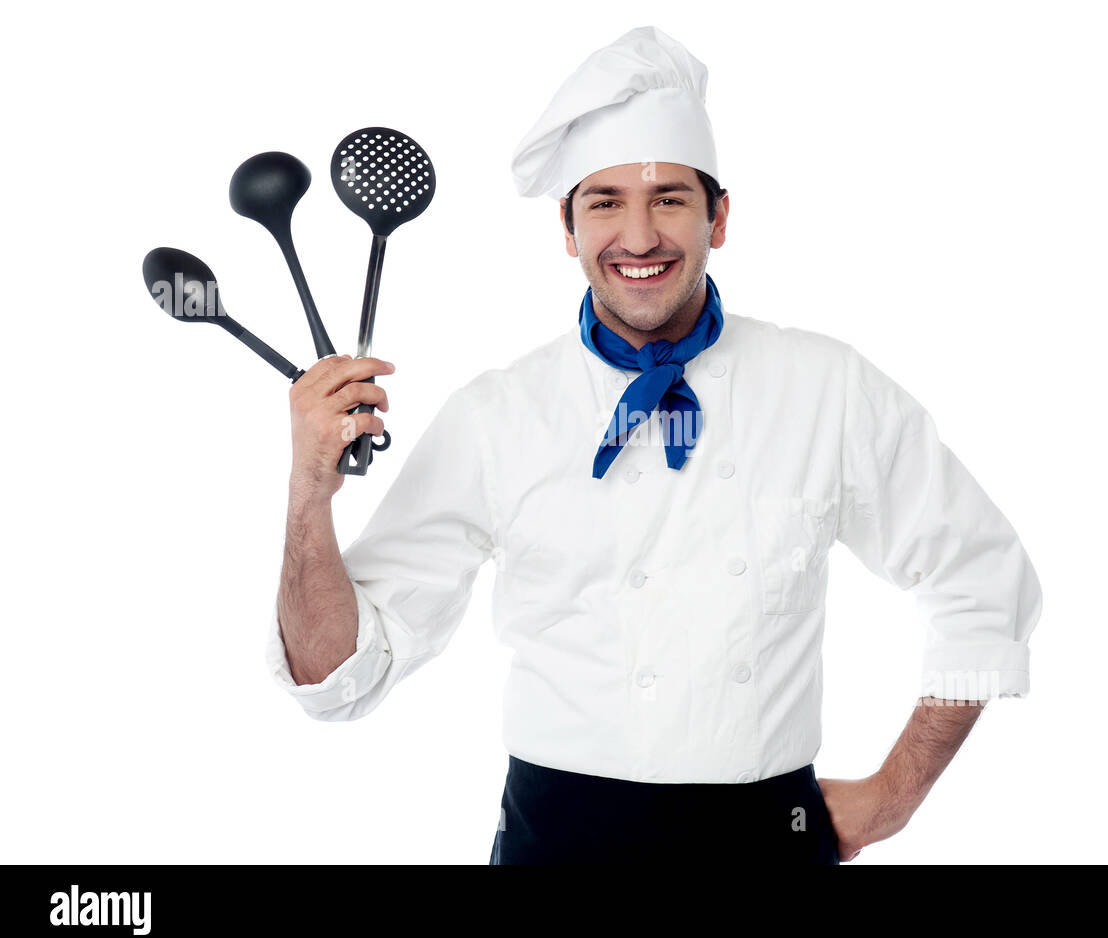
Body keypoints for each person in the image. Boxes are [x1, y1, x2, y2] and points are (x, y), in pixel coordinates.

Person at [267, 25, 1043, 866]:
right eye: (604, 202)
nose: (638, 238)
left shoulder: (827, 388)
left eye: (669, 197)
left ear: (720, 215)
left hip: (765, 843)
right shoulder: (498, 415)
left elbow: (982, 575)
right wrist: (308, 493)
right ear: (566, 227)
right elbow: (337, 676)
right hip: (555, 844)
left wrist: (894, 796)